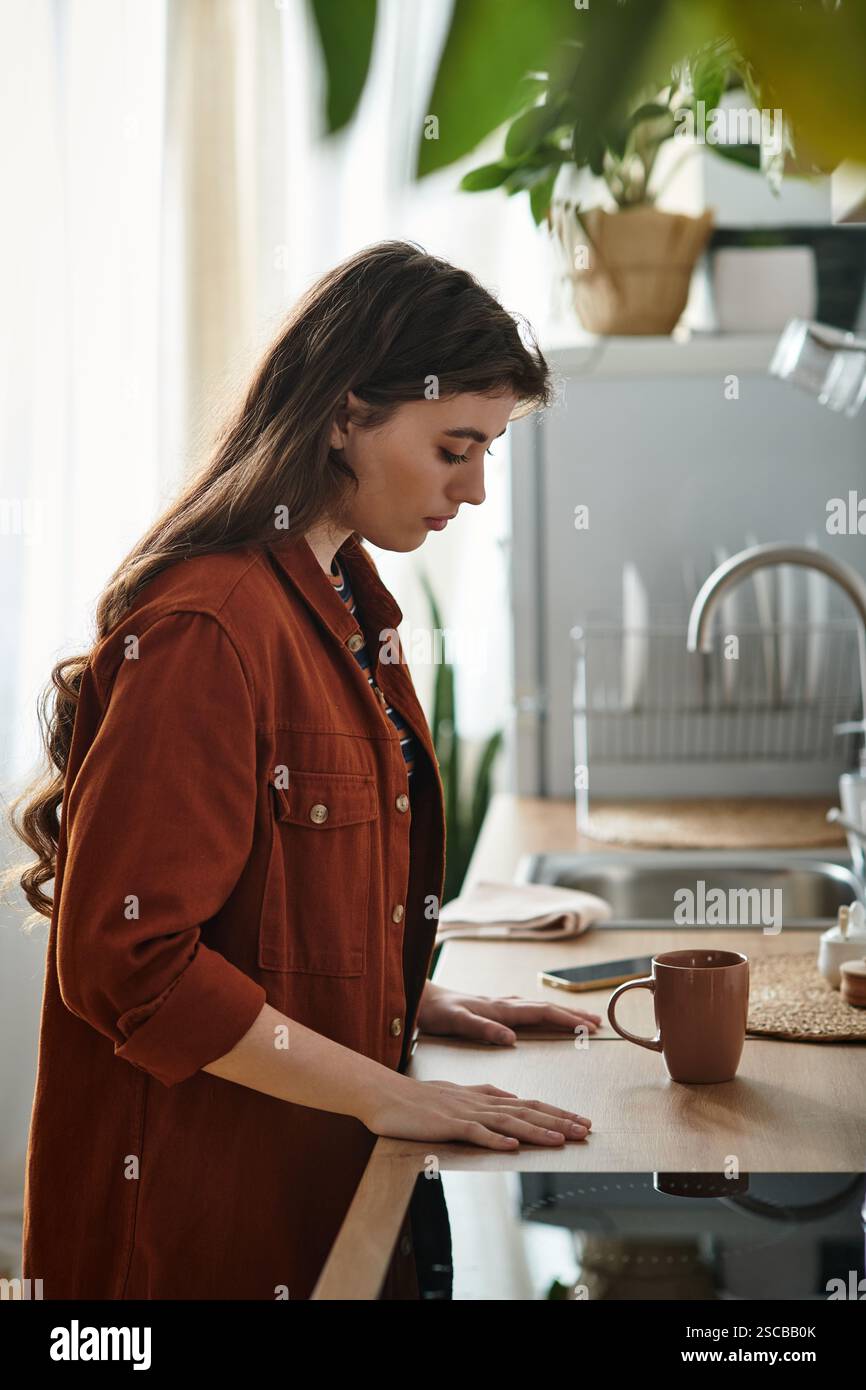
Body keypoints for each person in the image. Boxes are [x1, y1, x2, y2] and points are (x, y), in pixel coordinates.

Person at [8, 240, 599, 1301]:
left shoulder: (346, 605)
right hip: (191, 1236)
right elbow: (131, 963)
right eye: (454, 446)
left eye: (488, 451)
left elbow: (274, 910)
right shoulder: (209, 629)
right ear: (343, 414)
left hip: (309, 1200)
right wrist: (381, 1088)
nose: (471, 488)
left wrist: (400, 1000)